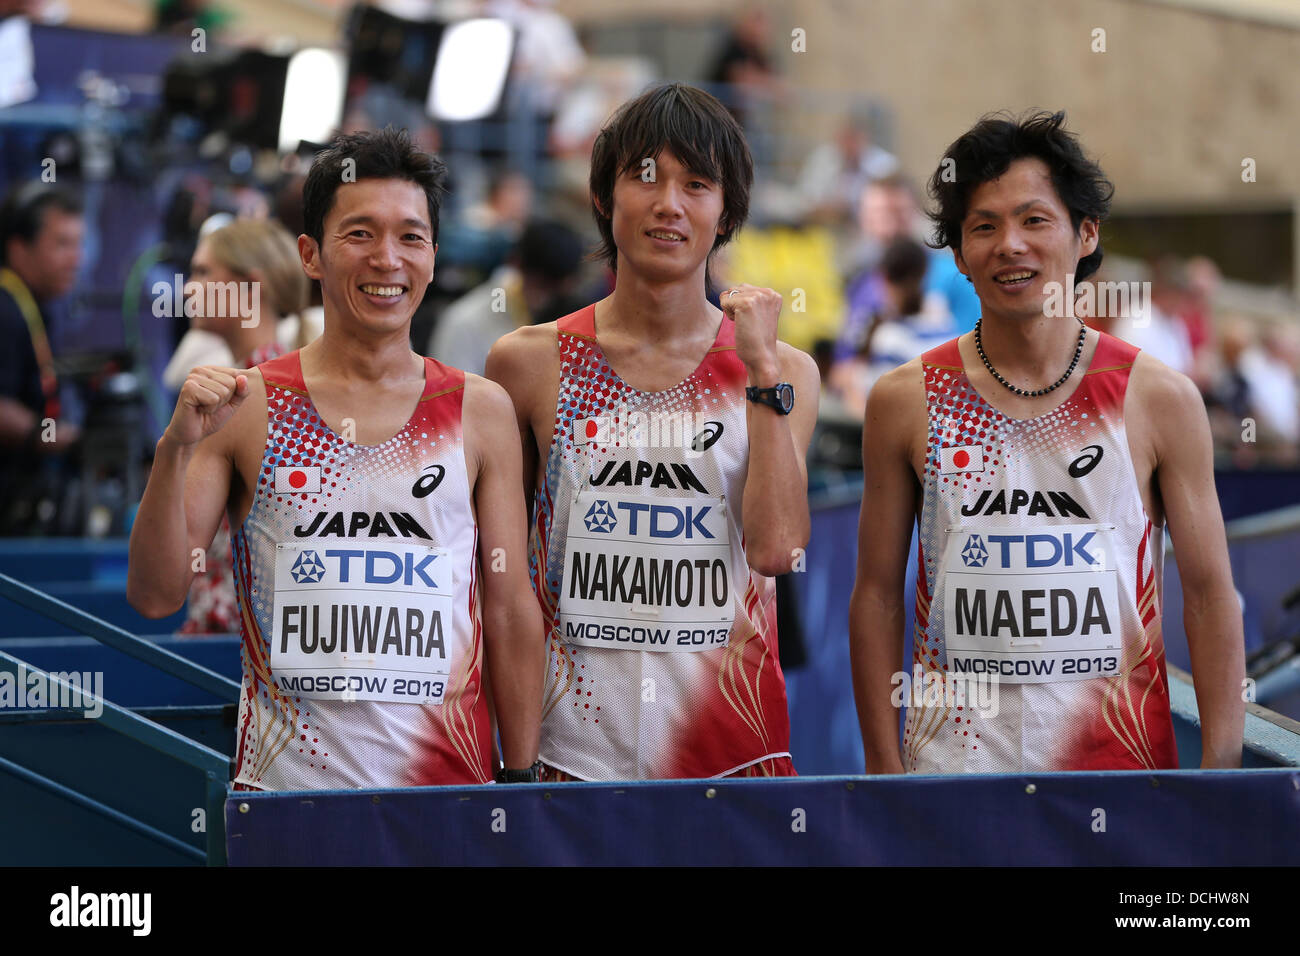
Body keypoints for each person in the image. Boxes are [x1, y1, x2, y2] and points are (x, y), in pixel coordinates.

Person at [127, 128, 545, 789]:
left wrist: (521, 781)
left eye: (410, 237)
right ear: (311, 254)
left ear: (434, 256)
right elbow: (155, 596)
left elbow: (510, 607)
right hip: (287, 803)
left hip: (445, 796)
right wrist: (173, 449)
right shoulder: (243, 405)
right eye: (359, 234)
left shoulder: (481, 410)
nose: (387, 259)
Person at [848, 110, 1244, 774]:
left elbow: (1208, 596)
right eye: (984, 226)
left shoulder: (1160, 398)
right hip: (951, 778)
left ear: (1085, 234)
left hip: (1119, 776)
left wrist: (1223, 771)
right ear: (959, 255)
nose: (1010, 245)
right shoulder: (903, 400)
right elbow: (877, 594)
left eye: (1035, 220)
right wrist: (885, 770)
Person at [486, 83, 820, 781]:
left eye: (697, 184)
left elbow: (778, 548)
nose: (669, 203)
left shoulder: (785, 370)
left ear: (726, 210)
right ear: (605, 199)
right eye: (645, 178)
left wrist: (759, 370)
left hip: (732, 757)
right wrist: (516, 767)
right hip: (566, 755)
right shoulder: (526, 361)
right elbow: (502, 581)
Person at [169, 218, 309, 634]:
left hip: (241, 641)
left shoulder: (261, 393)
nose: (188, 289)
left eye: (203, 272)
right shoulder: (231, 387)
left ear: (250, 286)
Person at [0, 182, 83, 533]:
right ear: (19, 249)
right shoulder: (5, 310)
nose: (75, 258)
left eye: (79, 244)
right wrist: (50, 437)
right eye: (62, 244)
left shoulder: (30, 305)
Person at [428, 217, 584, 375]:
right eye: (541, 286)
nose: (544, 299)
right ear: (516, 263)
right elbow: (451, 394)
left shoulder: (568, 313)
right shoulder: (467, 322)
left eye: (555, 290)